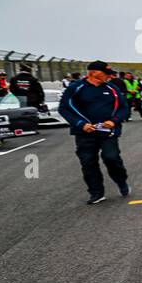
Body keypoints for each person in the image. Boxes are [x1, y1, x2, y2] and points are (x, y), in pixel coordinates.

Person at [57, 60, 131, 204]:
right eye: (106, 74)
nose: (108, 77)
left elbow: (124, 108)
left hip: (108, 131)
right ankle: (96, 192)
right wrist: (80, 124)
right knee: (88, 162)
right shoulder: (76, 87)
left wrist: (114, 121)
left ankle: (121, 182)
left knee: (111, 157)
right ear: (94, 73)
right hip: (84, 132)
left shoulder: (112, 88)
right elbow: (64, 108)